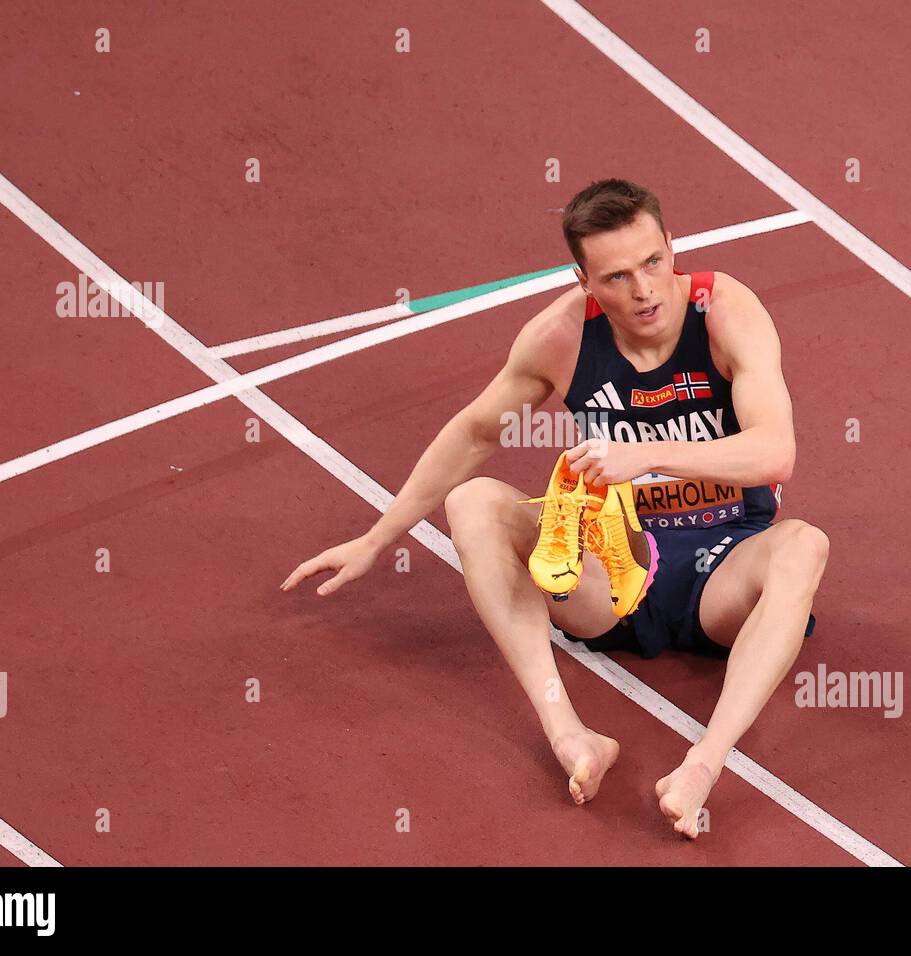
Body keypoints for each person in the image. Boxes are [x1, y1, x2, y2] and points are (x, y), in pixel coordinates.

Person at [283, 179, 828, 838]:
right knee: (474, 502)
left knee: (804, 546)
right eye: (618, 276)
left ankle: (702, 766)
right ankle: (572, 737)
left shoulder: (725, 310)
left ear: (671, 247)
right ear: (584, 279)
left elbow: (775, 452)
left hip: (726, 567)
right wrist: (376, 539)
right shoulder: (561, 337)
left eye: (654, 262)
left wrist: (650, 454)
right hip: (613, 570)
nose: (645, 289)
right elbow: (477, 433)